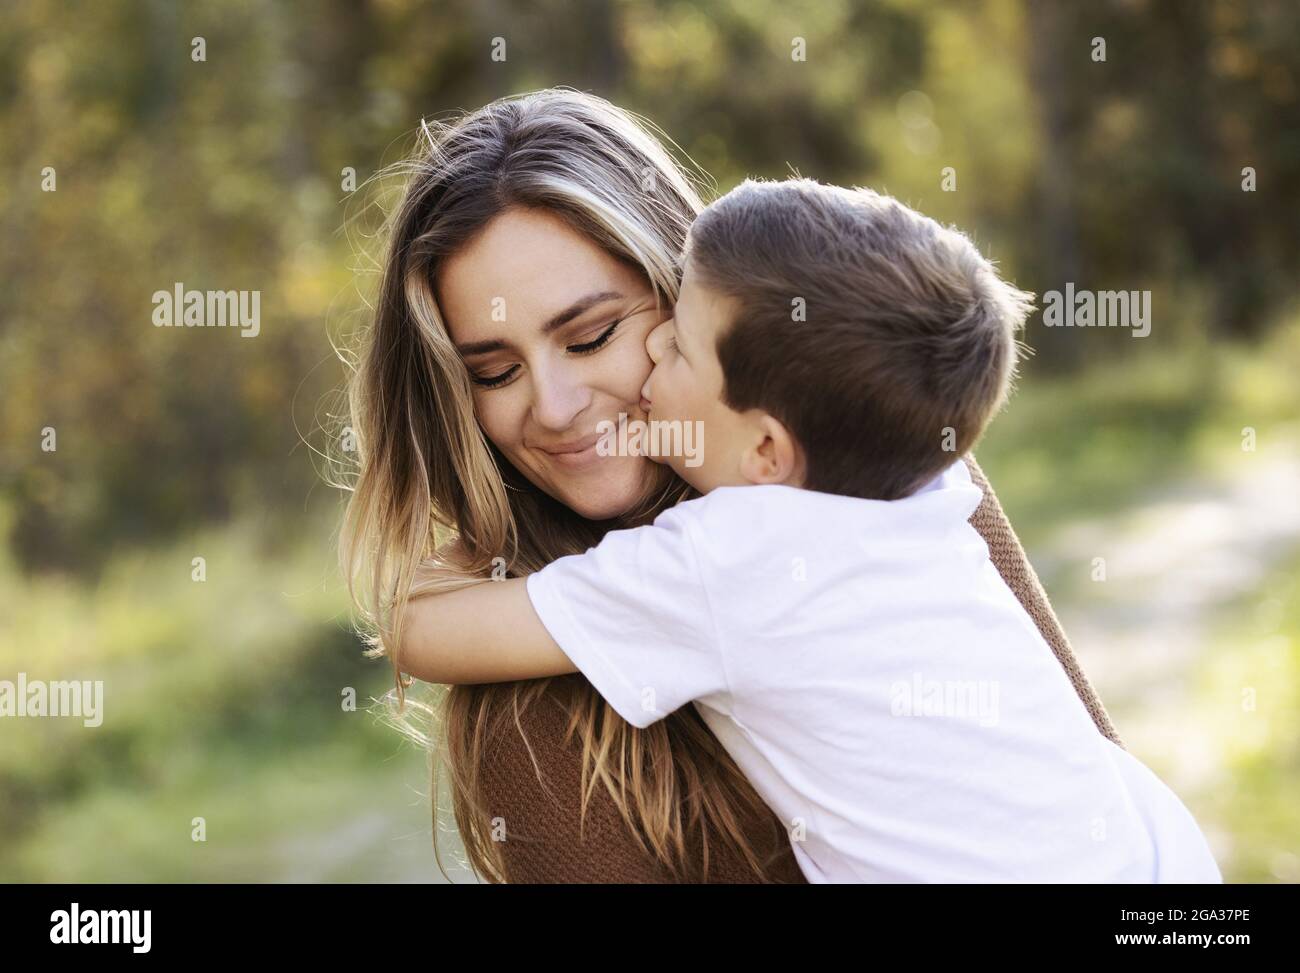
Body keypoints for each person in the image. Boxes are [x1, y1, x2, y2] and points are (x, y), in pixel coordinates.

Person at [340, 88, 1123, 883]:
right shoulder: (531, 712)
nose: (554, 406)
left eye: (591, 336)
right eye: (494, 370)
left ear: (686, 290)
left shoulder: (868, 469)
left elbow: (1081, 752)